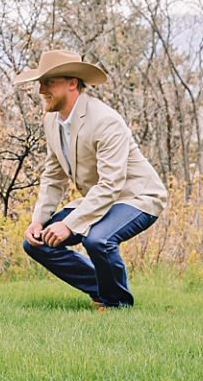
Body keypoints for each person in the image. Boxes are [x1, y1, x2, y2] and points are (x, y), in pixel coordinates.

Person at [16, 50, 167, 310]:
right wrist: (37, 221)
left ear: (72, 83)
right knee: (37, 244)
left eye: (49, 82)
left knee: (98, 240)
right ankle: (104, 290)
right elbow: (53, 176)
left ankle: (117, 304)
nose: (41, 89)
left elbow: (111, 185)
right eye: (40, 82)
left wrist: (70, 225)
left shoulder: (105, 121)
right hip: (100, 199)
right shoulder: (52, 121)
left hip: (137, 197)